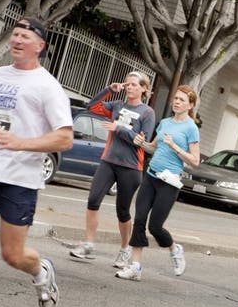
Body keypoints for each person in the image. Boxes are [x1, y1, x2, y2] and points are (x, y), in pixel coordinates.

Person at [0, 17, 72, 307]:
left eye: (25, 36)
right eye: (15, 34)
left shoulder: (48, 87)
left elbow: (64, 139)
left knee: (13, 255)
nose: (17, 40)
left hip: (19, 178)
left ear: (40, 46)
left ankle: (41, 272)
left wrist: (19, 143)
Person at [69, 72, 155, 267]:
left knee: (122, 211)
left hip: (131, 167)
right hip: (108, 161)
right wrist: (108, 90)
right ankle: (89, 244)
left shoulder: (147, 112)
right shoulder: (117, 106)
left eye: (134, 85)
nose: (130, 87)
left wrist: (118, 128)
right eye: (128, 84)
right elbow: (91, 106)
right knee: (93, 200)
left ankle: (125, 249)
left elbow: (140, 140)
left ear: (143, 88)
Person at [115, 86, 200, 280]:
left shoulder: (191, 128)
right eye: (175, 98)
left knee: (155, 227)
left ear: (191, 105)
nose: (177, 102)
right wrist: (141, 142)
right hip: (151, 176)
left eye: (182, 100)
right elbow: (153, 147)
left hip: (169, 182)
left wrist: (174, 146)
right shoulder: (165, 123)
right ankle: (135, 266)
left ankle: (174, 249)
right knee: (139, 219)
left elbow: (195, 161)